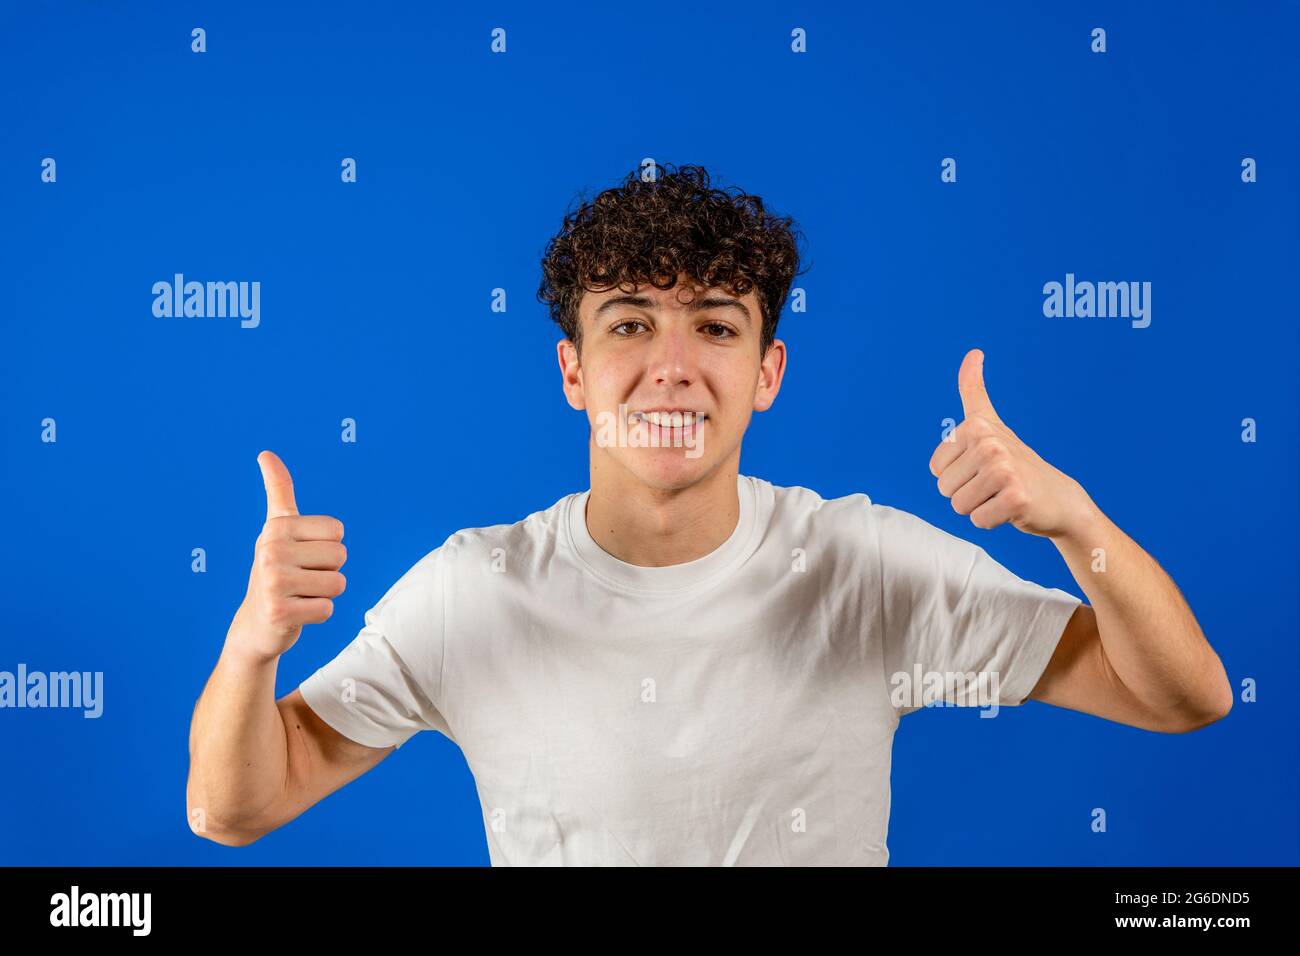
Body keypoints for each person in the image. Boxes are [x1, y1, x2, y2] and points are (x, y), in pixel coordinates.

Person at [185, 163, 1232, 865]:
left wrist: (1076, 524)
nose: (673, 367)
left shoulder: (864, 566)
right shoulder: (475, 589)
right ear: (572, 371)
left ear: (768, 371)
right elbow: (233, 807)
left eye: (717, 327)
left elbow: (1182, 696)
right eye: (630, 324)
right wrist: (251, 647)